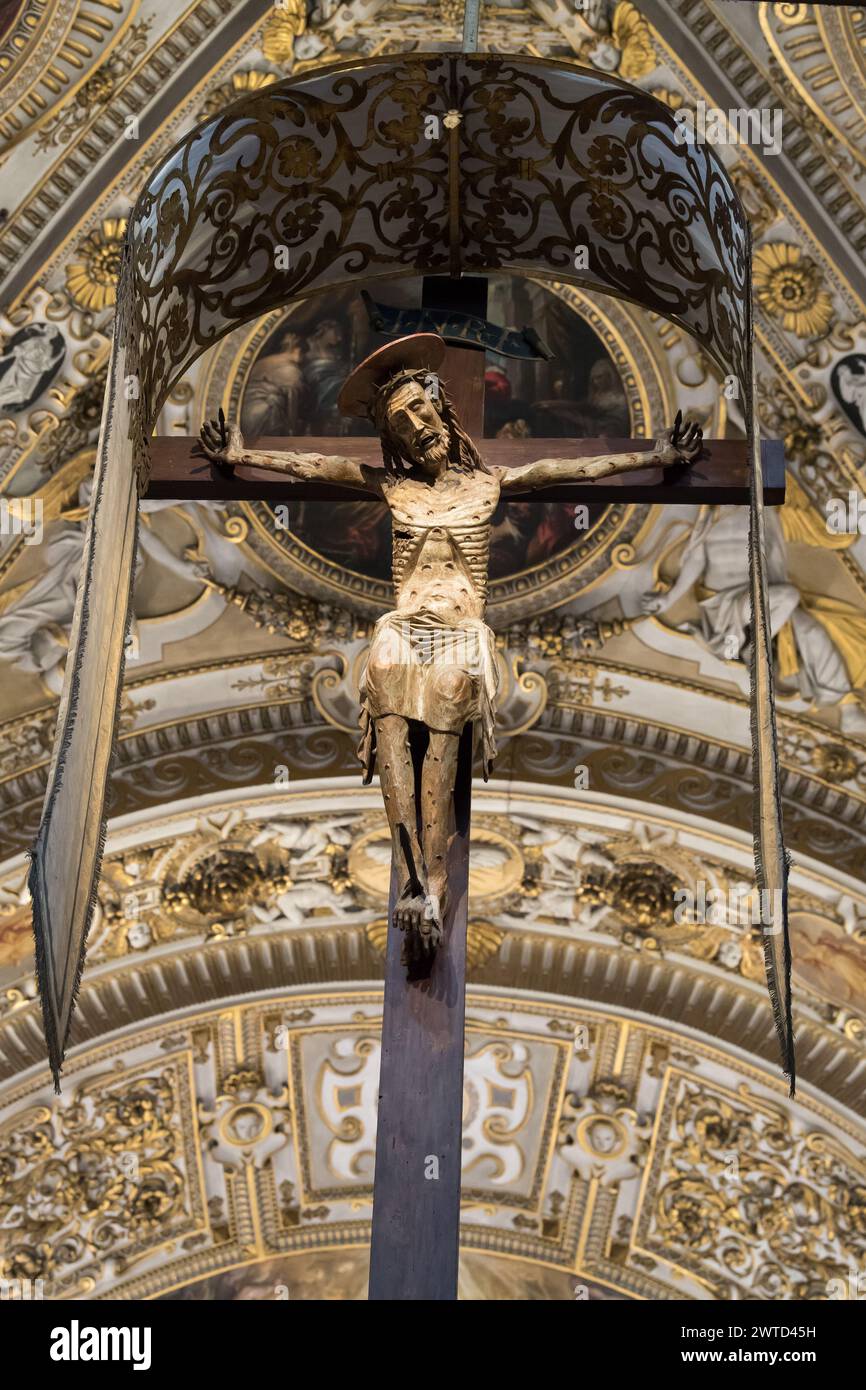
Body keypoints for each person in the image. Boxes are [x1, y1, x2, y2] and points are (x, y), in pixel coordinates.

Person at [201, 334, 701, 967]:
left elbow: (580, 468)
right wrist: (242, 453)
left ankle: (433, 880)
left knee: (444, 715)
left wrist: (659, 455)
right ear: (393, 436)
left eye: (419, 408)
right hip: (405, 624)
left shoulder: (492, 484)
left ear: (441, 405)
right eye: (401, 421)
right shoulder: (391, 488)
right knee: (383, 677)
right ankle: (407, 867)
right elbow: (311, 465)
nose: (416, 425)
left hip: (462, 632)